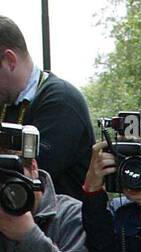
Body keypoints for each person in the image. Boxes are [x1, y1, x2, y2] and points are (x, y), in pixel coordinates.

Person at [0, 16, 94, 200]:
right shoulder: (8, 100)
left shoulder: (61, 101)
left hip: (62, 225)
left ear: (10, 60)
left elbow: (30, 174)